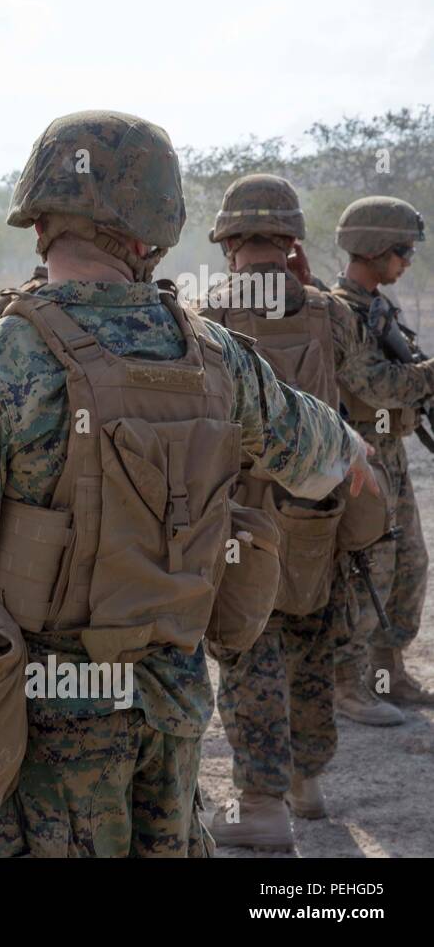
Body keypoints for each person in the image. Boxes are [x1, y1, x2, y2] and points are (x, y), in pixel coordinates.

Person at [0, 110, 376, 857]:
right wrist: (354, 454)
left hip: (30, 732)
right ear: (152, 234)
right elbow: (325, 456)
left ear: (39, 226)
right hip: (171, 713)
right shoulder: (218, 354)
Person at [198, 174, 362, 848]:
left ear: (230, 241)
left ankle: (261, 804)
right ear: (293, 241)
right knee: (312, 642)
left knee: (248, 650)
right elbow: (354, 382)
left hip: (244, 523)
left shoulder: (207, 316)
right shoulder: (332, 310)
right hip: (316, 517)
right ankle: (308, 784)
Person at [330, 195, 434, 714]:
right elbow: (373, 385)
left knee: (411, 565)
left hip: (391, 454)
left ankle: (388, 672)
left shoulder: (377, 308)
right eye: (400, 251)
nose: (406, 261)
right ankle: (346, 685)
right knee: (371, 570)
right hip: (362, 460)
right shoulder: (340, 312)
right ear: (372, 250)